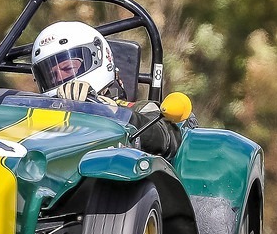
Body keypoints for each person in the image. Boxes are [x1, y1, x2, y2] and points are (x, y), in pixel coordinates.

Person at [30, 21, 180, 156]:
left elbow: (168, 139)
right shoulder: (37, 118)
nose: (60, 81)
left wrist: (113, 113)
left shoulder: (139, 109)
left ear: (99, 57)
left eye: (68, 68)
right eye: (51, 76)